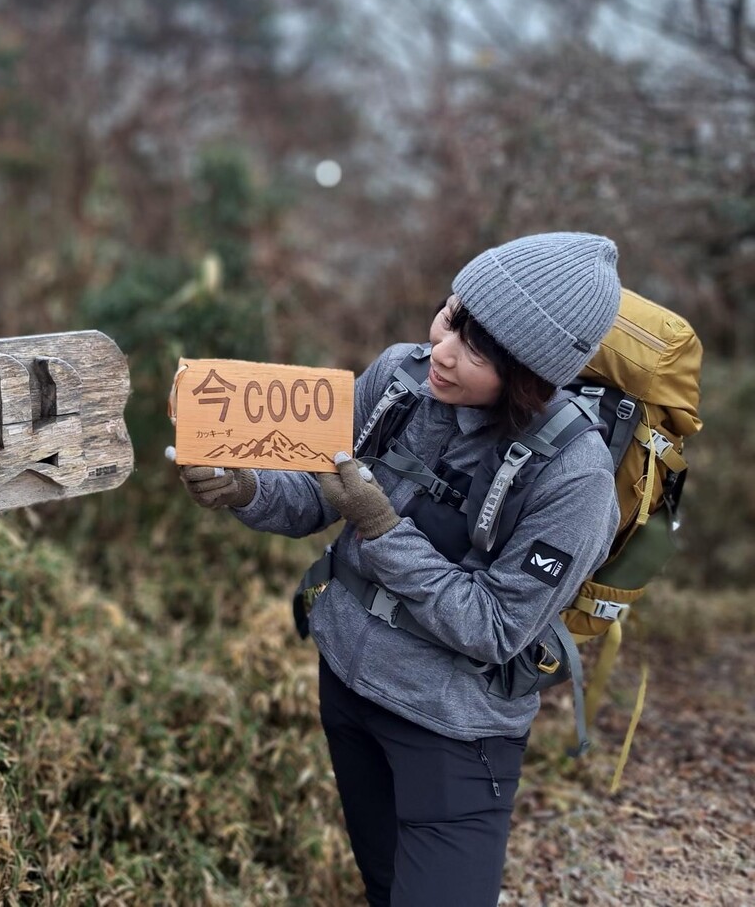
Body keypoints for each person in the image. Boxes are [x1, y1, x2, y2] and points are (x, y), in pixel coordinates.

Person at [179, 232, 623, 907]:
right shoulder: (398, 378)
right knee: (384, 883)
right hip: (349, 685)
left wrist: (382, 526)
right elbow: (313, 493)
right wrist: (245, 489)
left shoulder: (576, 480)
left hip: (453, 729)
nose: (442, 351)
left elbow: (497, 626)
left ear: (530, 376)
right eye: (451, 317)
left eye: (477, 349)